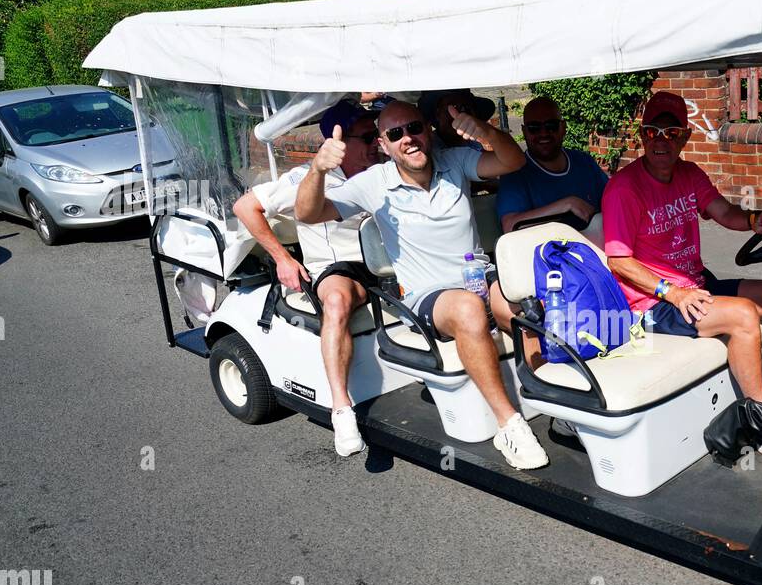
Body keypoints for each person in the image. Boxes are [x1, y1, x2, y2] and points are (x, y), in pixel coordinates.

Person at [295, 99, 551, 470]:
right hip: (429, 296)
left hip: (479, 277)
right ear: (383, 144)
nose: (408, 139)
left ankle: (549, 398)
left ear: (427, 130)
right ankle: (509, 424)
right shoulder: (373, 184)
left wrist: (488, 133)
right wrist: (317, 169)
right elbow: (308, 213)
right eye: (395, 134)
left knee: (526, 300)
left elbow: (513, 161)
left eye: (414, 128)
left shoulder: (455, 162)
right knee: (466, 309)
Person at [602, 91, 762, 456]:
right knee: (744, 315)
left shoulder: (689, 174)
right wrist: (675, 293)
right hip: (654, 304)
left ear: (684, 137)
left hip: (695, 285)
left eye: (671, 133)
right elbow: (619, 261)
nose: (661, 141)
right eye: (653, 132)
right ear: (642, 137)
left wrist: (754, 220)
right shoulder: (624, 188)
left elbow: (725, 213)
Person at [232, 98, 381, 458]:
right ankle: (342, 410)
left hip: (388, 259)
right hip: (340, 267)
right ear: (338, 142)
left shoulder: (384, 170)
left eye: (376, 135)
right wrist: (282, 257)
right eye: (367, 137)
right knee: (335, 300)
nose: (376, 143)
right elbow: (244, 207)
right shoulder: (304, 178)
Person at [496, 95, 608, 234]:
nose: (543, 133)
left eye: (551, 126)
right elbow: (511, 225)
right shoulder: (516, 173)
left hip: (595, 247)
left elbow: (613, 202)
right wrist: (567, 204)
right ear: (524, 132)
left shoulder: (584, 161)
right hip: (544, 253)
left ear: (563, 127)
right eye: (534, 128)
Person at [419, 89, 498, 151]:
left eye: (466, 107)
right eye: (453, 107)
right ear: (437, 113)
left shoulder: (482, 144)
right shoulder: (428, 149)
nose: (460, 115)